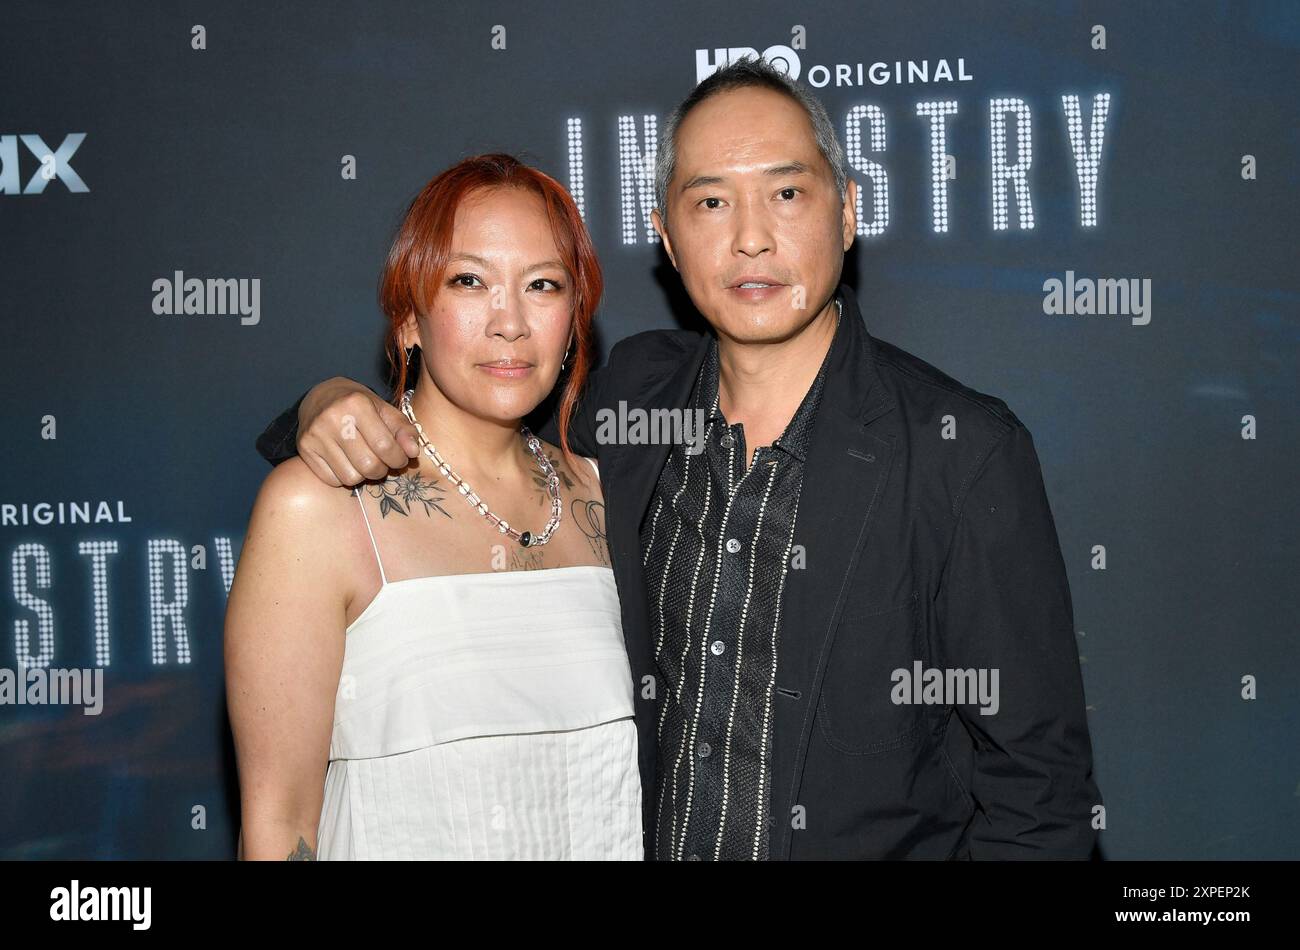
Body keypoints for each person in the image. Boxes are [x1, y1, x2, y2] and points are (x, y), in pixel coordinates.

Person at [258, 57, 1102, 860]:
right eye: (710, 204)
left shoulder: (962, 453)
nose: (750, 240)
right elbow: (467, 412)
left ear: (847, 211)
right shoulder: (631, 406)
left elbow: (1041, 794)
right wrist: (320, 403)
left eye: (785, 193)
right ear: (663, 232)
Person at [225, 154, 642, 860]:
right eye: (469, 281)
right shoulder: (316, 508)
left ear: (575, 321)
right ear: (410, 318)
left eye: (542, 285)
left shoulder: (607, 498)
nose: (509, 322)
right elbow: (279, 821)